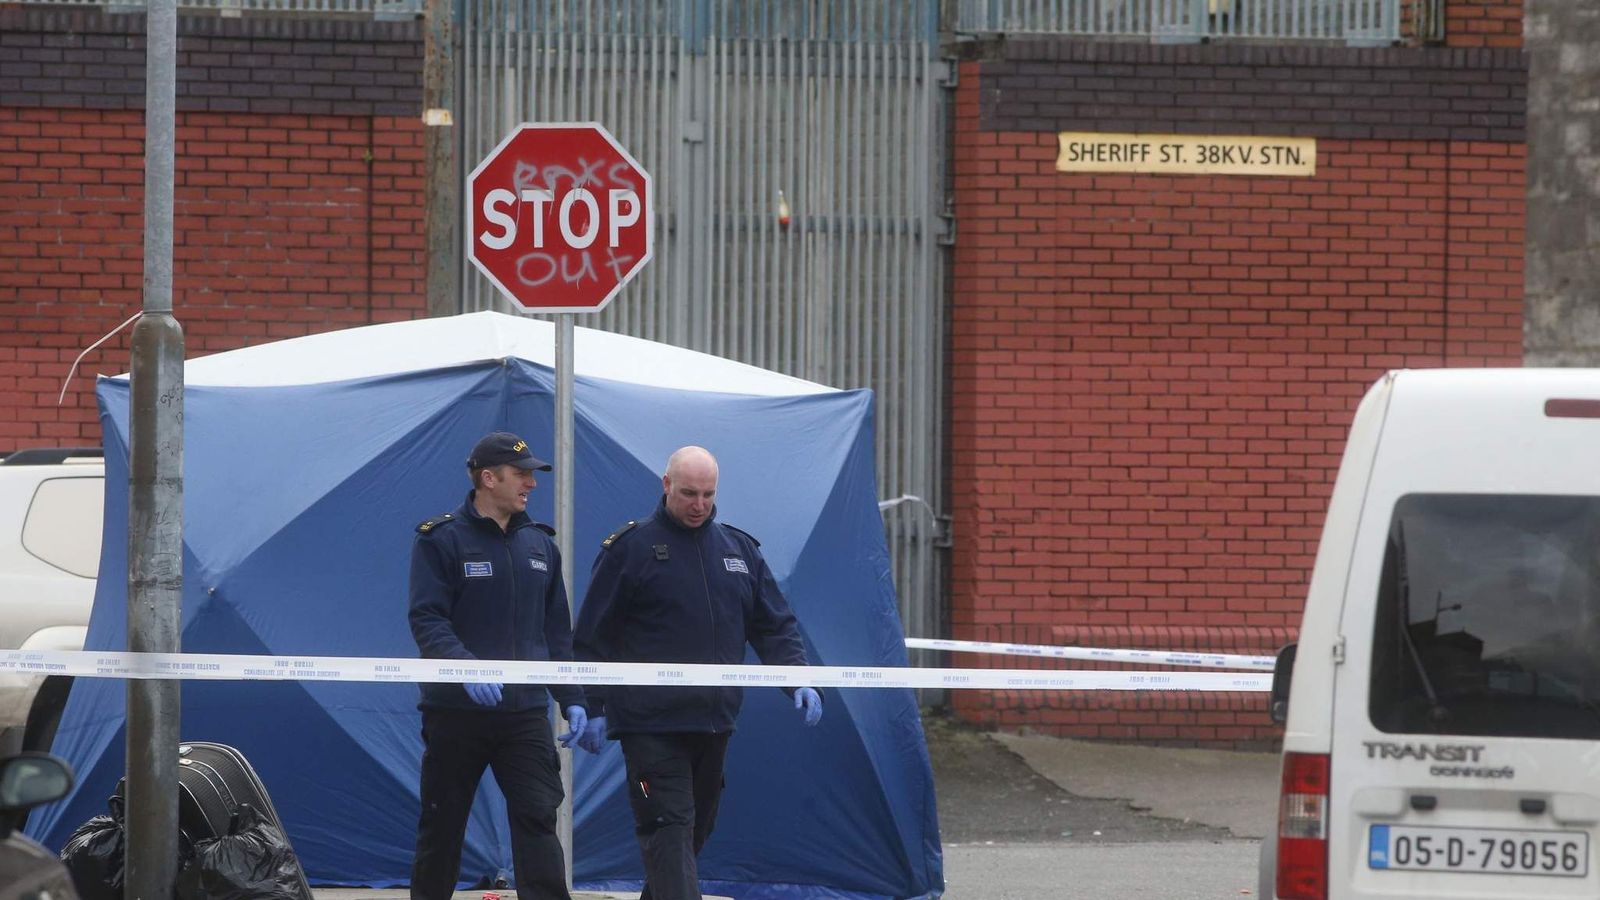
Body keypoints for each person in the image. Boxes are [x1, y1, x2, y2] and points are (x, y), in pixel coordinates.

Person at [572, 445, 823, 900]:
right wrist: (590, 703)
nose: (699, 505)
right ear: (666, 485)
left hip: (713, 723)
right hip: (649, 725)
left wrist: (797, 678)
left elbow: (773, 625)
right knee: (667, 826)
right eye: (689, 493)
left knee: (692, 833)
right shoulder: (630, 549)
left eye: (708, 494)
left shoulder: (739, 550)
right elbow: (593, 635)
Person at [407, 431, 588, 900]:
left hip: (524, 714)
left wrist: (573, 700)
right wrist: (466, 668)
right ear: (488, 478)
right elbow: (427, 618)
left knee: (537, 818)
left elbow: (557, 633)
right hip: (455, 712)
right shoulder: (441, 540)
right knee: (442, 825)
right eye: (521, 474)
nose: (531, 483)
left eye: (533, 474)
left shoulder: (540, 545)